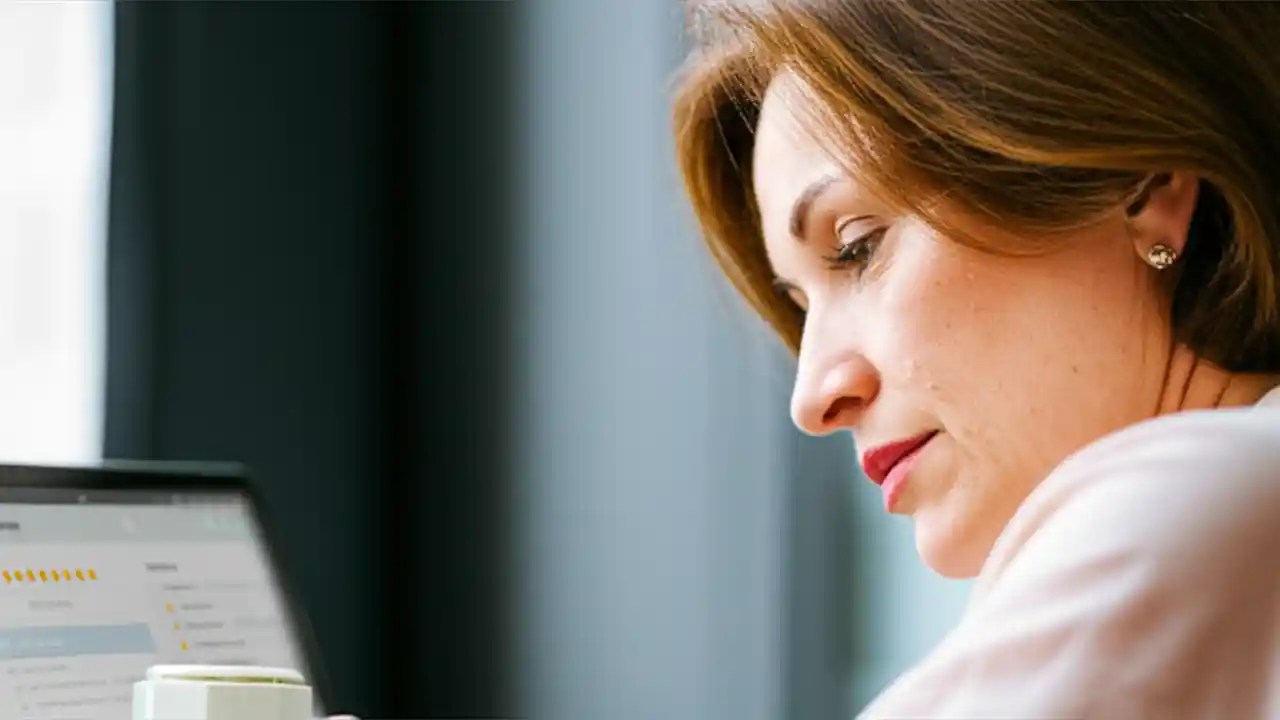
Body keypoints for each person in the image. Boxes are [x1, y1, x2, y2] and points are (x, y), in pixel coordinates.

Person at [673, 2, 1280, 717]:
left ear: (1142, 186)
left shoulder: (1197, 506)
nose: (811, 396)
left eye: (859, 247)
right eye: (802, 307)